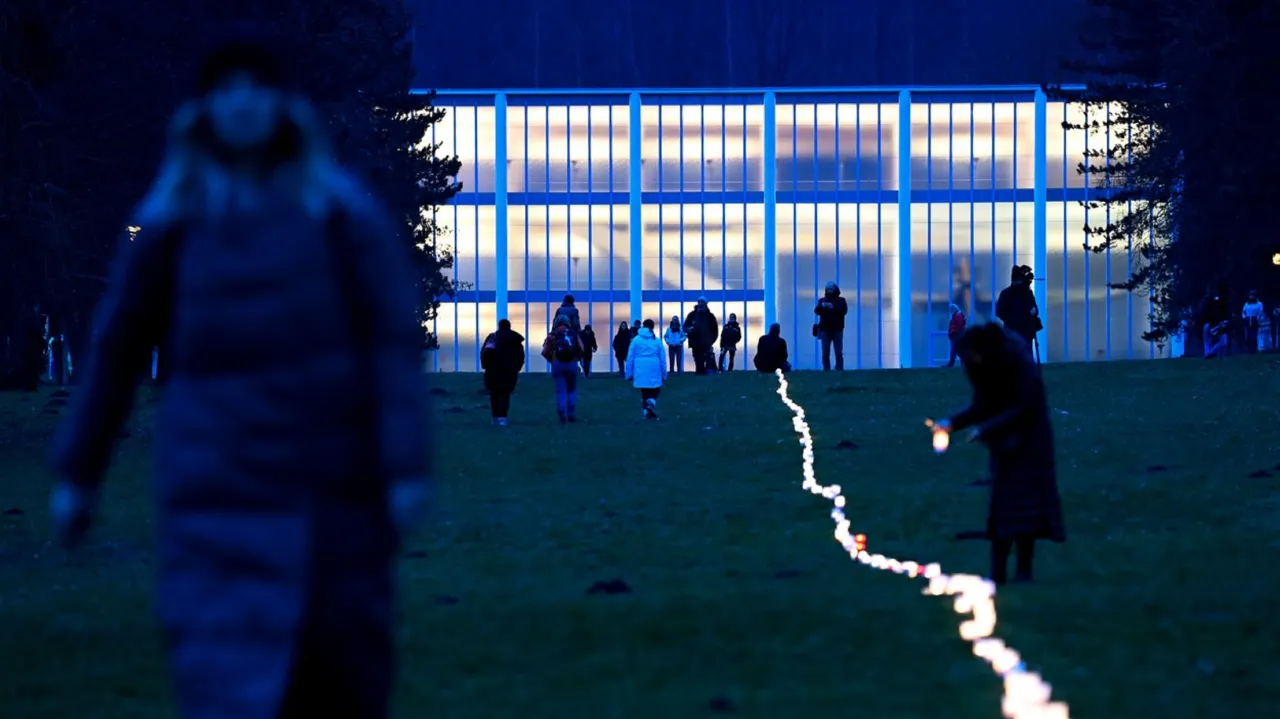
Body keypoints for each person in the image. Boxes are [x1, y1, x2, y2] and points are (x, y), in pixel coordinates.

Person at [46, 35, 429, 719]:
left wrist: (403, 465)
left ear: (284, 105)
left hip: (328, 491)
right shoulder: (173, 227)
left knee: (337, 674)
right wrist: (78, 471)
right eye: (227, 87)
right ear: (204, 109)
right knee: (226, 676)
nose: (243, 101)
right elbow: (117, 351)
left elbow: (390, 345)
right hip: (215, 491)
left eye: (257, 86)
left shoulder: (340, 218)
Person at [930, 323, 1065, 585]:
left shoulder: (1018, 362)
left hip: (1030, 441)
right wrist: (952, 423)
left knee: (1027, 507)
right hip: (1004, 443)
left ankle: (1024, 570)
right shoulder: (985, 367)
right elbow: (983, 404)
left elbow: (1026, 406)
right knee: (1001, 506)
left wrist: (987, 428)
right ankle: (999, 571)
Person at [481, 319, 525, 426]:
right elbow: (520, 357)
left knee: (494, 394)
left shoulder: (493, 338)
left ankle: (495, 417)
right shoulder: (515, 341)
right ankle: (503, 417)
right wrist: (516, 368)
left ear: (499, 326)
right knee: (505, 395)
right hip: (509, 372)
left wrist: (486, 366)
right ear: (509, 326)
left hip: (493, 371)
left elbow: (485, 354)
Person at [541, 315, 583, 424]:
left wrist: (551, 359)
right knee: (572, 389)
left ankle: (562, 413)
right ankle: (571, 413)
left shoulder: (553, 335)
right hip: (572, 364)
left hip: (557, 363)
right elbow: (582, 348)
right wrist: (576, 357)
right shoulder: (573, 334)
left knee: (561, 390)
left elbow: (545, 351)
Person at [995, 265, 1042, 361]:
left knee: (1026, 354)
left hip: (1025, 330)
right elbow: (999, 312)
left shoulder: (1027, 292)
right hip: (1014, 330)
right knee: (1014, 355)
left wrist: (1034, 311)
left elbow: (1035, 308)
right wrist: (1013, 319)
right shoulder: (1007, 293)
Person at [626, 319, 668, 420]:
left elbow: (630, 358)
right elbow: (662, 358)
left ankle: (647, 412)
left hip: (639, 367)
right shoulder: (657, 340)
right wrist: (664, 374)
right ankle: (652, 402)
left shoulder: (636, 340)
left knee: (644, 390)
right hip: (654, 366)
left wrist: (629, 373)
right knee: (655, 388)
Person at [814, 281, 849, 371]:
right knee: (825, 352)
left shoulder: (841, 300)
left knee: (838, 352)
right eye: (828, 289)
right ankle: (826, 369)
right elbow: (816, 311)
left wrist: (833, 307)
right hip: (825, 330)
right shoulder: (822, 300)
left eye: (831, 289)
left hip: (837, 329)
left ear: (835, 289)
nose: (829, 291)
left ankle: (839, 368)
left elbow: (844, 311)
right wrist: (822, 307)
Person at [683, 297, 720, 375]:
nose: (700, 303)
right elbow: (684, 327)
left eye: (702, 302)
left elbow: (715, 331)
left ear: (706, 304)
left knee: (707, 359)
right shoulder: (692, 315)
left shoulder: (710, 316)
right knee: (698, 359)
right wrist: (689, 329)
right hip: (695, 343)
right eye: (699, 302)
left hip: (706, 343)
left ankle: (707, 373)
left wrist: (710, 341)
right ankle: (699, 373)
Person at [1200, 282, 1230, 358]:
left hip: (1214, 322)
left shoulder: (1210, 301)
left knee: (1212, 341)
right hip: (1213, 323)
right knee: (1212, 340)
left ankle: (1210, 354)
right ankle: (1210, 354)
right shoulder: (1212, 301)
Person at [1242, 290, 1263, 354]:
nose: (1251, 297)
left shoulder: (1259, 304)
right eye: (1250, 295)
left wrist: (1257, 318)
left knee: (1253, 336)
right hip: (1247, 320)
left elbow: (1260, 312)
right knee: (1248, 336)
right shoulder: (1247, 303)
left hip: (1254, 320)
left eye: (1252, 295)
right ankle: (1249, 349)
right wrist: (1244, 317)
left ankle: (1254, 349)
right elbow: (1243, 312)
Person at [946, 303, 967, 367]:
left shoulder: (958, 315)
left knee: (955, 350)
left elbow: (958, 325)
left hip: (956, 336)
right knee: (958, 351)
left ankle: (951, 364)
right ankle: (962, 364)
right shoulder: (957, 315)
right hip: (956, 336)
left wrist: (954, 332)